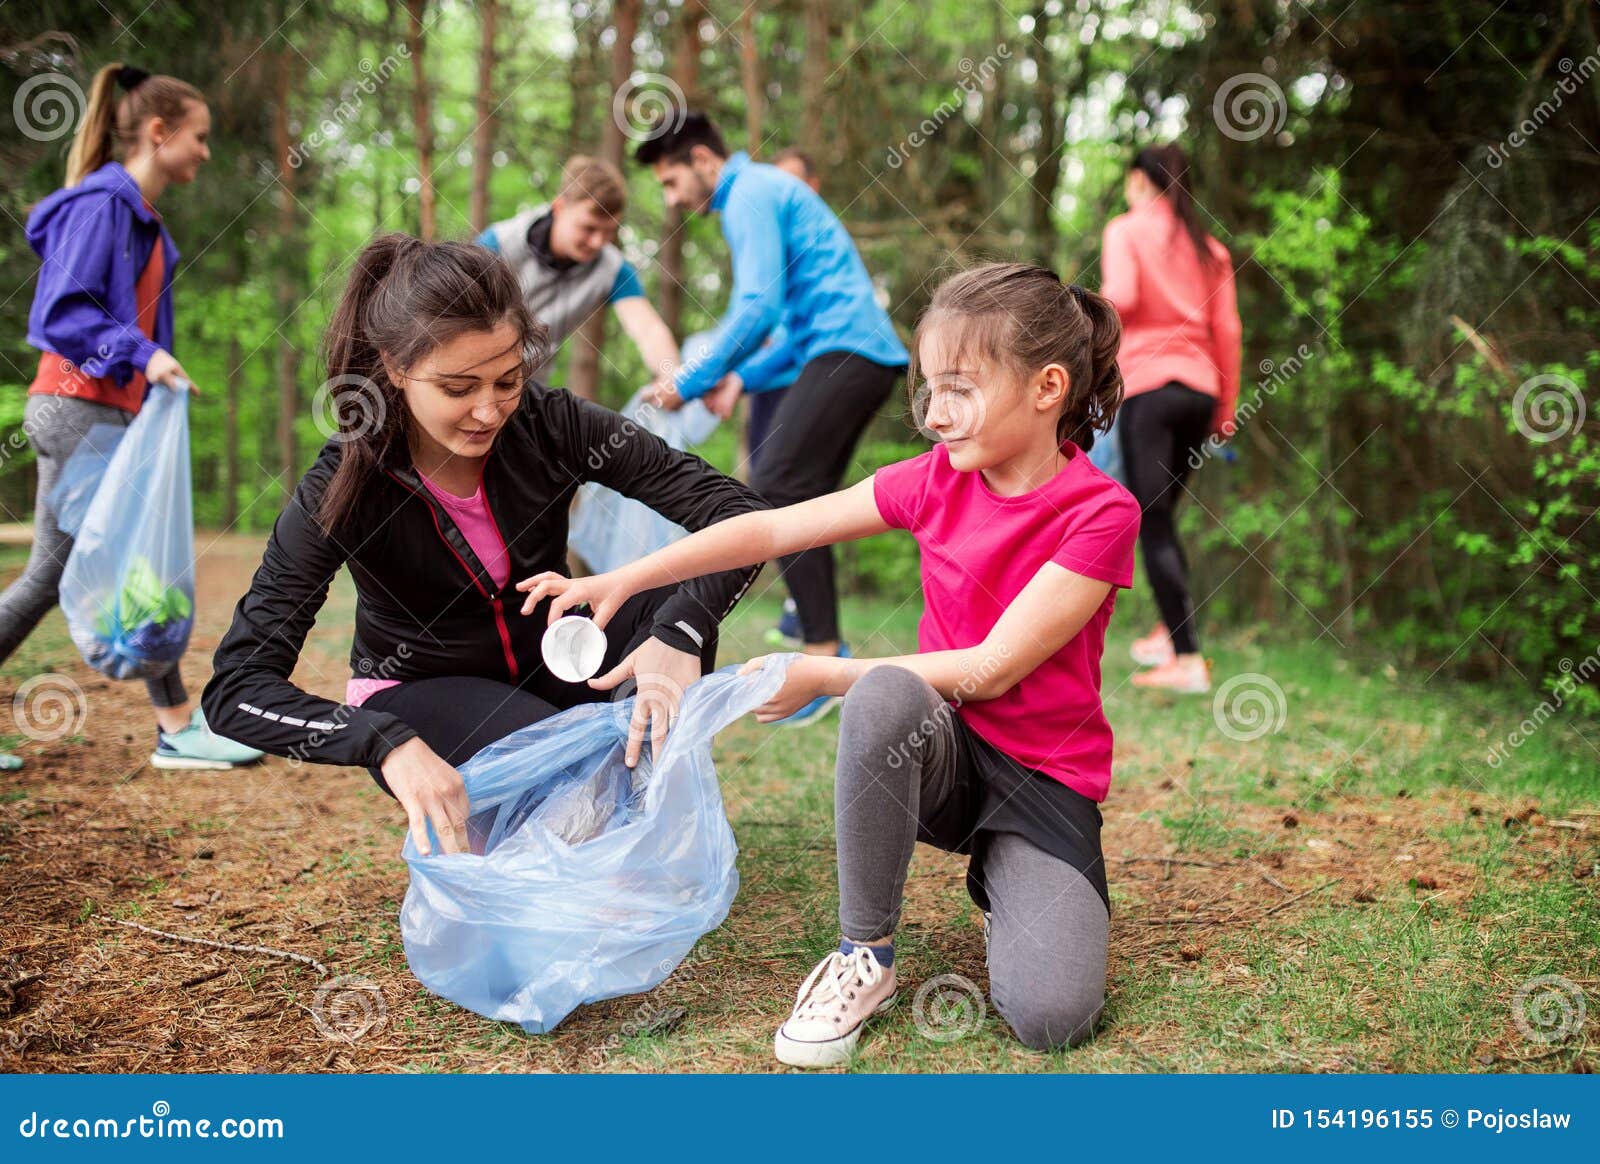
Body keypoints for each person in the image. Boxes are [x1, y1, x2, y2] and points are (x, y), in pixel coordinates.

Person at [520, 262, 1138, 1065]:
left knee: (1053, 1018)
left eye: (960, 388)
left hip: (1043, 780)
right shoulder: (935, 480)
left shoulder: (1099, 512)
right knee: (888, 694)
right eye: (928, 389)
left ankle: (1008, 878)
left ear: (1048, 386)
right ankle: (864, 955)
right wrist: (626, 577)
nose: (937, 416)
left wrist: (813, 674)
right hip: (938, 753)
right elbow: (772, 530)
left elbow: (991, 669)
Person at [200, 235, 767, 857]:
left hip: (556, 657)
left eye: (508, 379)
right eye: (457, 388)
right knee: (566, 787)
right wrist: (381, 741)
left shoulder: (552, 423)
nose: (488, 410)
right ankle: (583, 817)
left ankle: (626, 810)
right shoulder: (345, 484)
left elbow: (740, 514)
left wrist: (681, 631)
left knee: (668, 598)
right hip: (422, 690)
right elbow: (237, 687)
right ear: (394, 366)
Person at [2, 62, 262, 772]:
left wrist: (153, 375)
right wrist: (143, 357)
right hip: (76, 408)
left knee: (72, 576)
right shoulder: (102, 207)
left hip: (102, 410)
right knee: (112, 568)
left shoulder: (140, 220)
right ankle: (176, 728)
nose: (207, 152)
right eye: (199, 137)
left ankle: (176, 727)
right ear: (158, 131)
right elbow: (63, 312)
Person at [634, 113, 909, 724]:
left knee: (779, 488)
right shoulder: (763, 193)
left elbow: (757, 307)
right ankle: (825, 654)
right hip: (848, 353)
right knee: (800, 498)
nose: (674, 199)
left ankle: (819, 657)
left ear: (704, 159)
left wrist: (691, 378)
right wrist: (739, 379)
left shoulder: (750, 193)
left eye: (672, 181)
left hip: (851, 351)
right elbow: (788, 327)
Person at [1100, 144, 1241, 694]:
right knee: (1164, 518)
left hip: (1150, 388)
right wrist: (1226, 408)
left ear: (1139, 180)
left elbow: (1124, 298)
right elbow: (1228, 330)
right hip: (1201, 394)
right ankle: (1169, 632)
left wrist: (1078, 314)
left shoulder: (1126, 230)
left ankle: (1186, 661)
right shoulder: (1209, 248)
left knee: (1152, 521)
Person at [477, 155, 678, 379]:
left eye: (609, 231)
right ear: (559, 207)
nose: (598, 242)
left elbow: (648, 329)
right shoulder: (498, 244)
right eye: (588, 228)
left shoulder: (611, 267)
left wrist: (671, 377)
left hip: (531, 387)